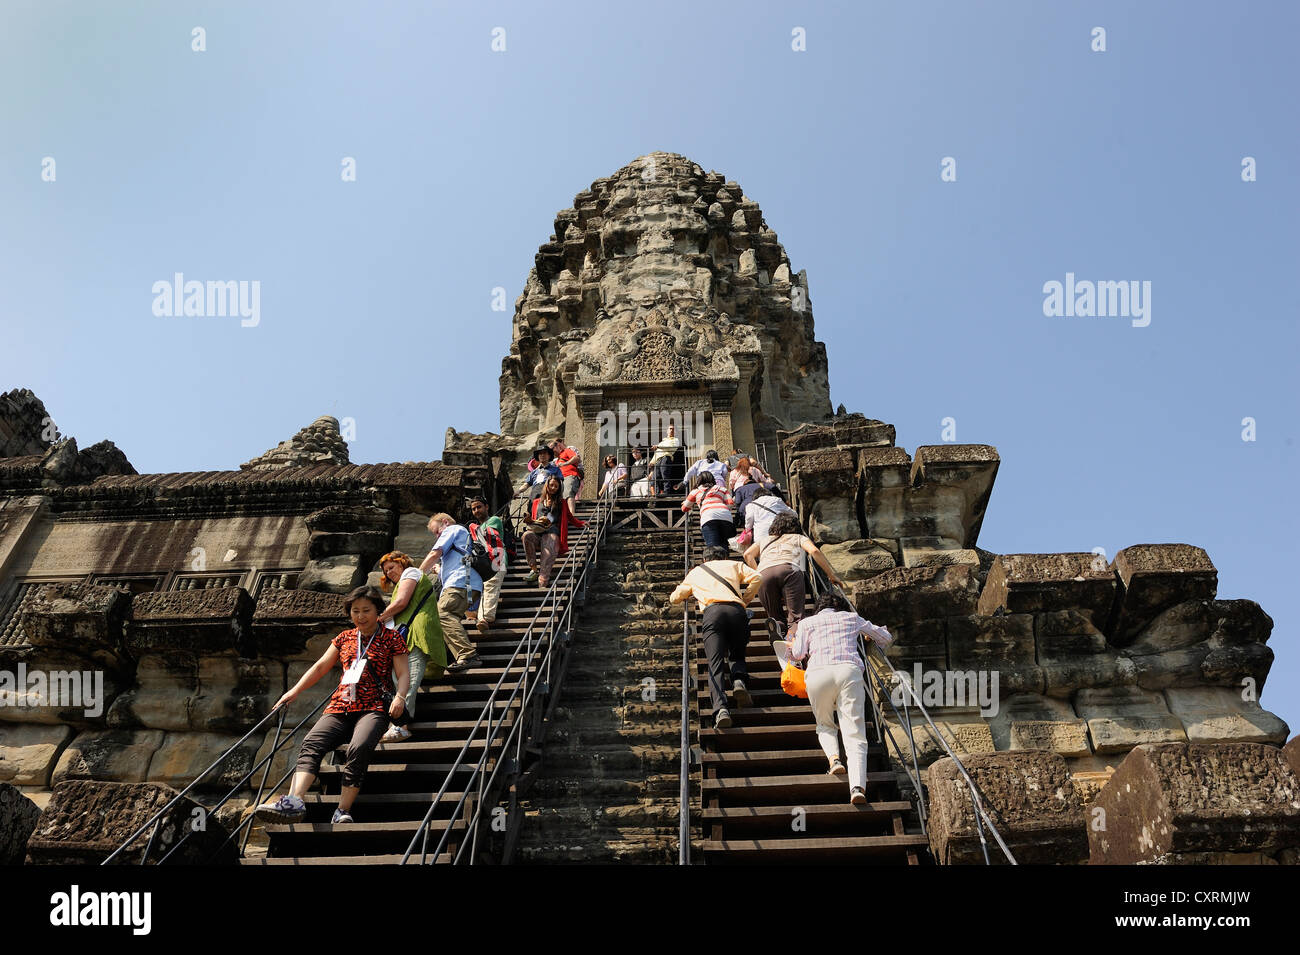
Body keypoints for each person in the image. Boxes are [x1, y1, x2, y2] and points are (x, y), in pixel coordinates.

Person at [255, 585, 409, 824]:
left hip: (374, 707)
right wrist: (294, 691)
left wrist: (400, 696)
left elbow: (403, 673)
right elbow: (319, 667)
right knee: (312, 742)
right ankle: (295, 801)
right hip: (340, 705)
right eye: (355, 611)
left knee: (358, 748)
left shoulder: (392, 638)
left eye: (366, 610)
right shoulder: (344, 638)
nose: (360, 616)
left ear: (378, 610)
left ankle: (342, 810)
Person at [787, 590, 894, 805]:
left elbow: (798, 654)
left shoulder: (807, 623)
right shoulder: (851, 618)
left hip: (818, 674)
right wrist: (867, 635)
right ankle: (857, 787)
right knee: (854, 732)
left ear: (819, 607)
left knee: (825, 724)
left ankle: (834, 760)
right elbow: (885, 638)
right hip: (848, 672)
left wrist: (790, 647)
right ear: (841, 606)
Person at [669, 546, 762, 729]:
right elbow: (758, 577)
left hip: (713, 613)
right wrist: (747, 598)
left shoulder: (697, 572)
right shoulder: (734, 564)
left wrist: (690, 591)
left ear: (705, 560)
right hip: (737, 611)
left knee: (715, 662)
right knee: (737, 653)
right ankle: (738, 680)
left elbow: (675, 598)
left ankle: (721, 709)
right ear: (725, 556)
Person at [375, 552, 445, 742]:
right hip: (408, 632)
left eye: (392, 567)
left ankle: (399, 726)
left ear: (402, 563)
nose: (389, 573)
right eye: (386, 570)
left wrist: (376, 619)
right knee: (400, 677)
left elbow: (401, 603)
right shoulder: (403, 580)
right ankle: (397, 723)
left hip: (416, 630)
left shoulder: (411, 573)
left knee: (409, 674)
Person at [743, 512, 844, 639]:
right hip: (790, 571)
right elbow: (814, 551)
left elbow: (747, 555)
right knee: (796, 618)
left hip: (765, 573)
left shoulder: (764, 540)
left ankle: (778, 629)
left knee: (775, 616)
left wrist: (758, 572)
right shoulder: (798, 537)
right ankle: (793, 642)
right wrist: (831, 575)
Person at [418, 513, 483, 672]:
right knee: (448, 616)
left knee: (442, 614)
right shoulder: (461, 537)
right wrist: (440, 569)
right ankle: (461, 655)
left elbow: (435, 553)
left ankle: (467, 654)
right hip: (468, 583)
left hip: (460, 581)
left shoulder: (452, 529)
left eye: (437, 532)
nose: (437, 536)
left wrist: (416, 575)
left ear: (445, 522)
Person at [464, 498, 507, 633]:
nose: (476, 511)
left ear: (486, 507)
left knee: (491, 584)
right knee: (476, 585)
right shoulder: (475, 527)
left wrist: (471, 529)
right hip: (482, 559)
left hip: (496, 555)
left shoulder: (494, 520)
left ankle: (485, 617)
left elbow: (486, 534)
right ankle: (476, 613)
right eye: (473, 509)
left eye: (479, 507)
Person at [522, 474, 570, 588]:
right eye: (551, 485)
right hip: (537, 531)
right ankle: (534, 570)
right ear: (547, 485)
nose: (553, 488)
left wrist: (582, 523)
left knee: (549, 546)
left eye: (556, 486)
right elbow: (533, 519)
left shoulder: (561, 502)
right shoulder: (536, 501)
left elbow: (570, 517)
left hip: (551, 532)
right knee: (526, 536)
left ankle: (543, 579)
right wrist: (529, 520)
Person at [680, 472, 735, 549]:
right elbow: (730, 503)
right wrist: (722, 509)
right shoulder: (722, 489)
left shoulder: (696, 491)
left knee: (713, 547)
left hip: (708, 517)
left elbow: (684, 508)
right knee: (724, 545)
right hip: (725, 516)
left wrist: (685, 503)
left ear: (699, 480)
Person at [728, 455, 774, 527]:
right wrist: (768, 480)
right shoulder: (754, 469)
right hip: (754, 490)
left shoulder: (734, 471)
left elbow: (731, 483)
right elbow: (763, 480)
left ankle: (741, 518)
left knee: (739, 503)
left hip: (739, 491)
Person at [550, 438, 586, 527]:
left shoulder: (567, 451)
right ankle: (565, 515)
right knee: (562, 496)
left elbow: (576, 458)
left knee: (569, 493)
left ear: (558, 446)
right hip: (562, 478)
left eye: (552, 449)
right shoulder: (557, 459)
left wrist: (565, 464)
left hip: (570, 475)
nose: (552, 452)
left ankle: (572, 514)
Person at [647, 423, 683, 496]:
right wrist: (652, 462)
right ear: (667, 431)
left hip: (666, 457)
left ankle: (666, 491)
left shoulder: (676, 440)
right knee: (655, 477)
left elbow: (670, 447)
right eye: (670, 428)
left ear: (675, 432)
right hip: (658, 460)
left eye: (673, 429)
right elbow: (657, 452)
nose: (671, 430)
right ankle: (656, 493)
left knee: (665, 475)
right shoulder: (662, 442)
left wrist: (658, 446)